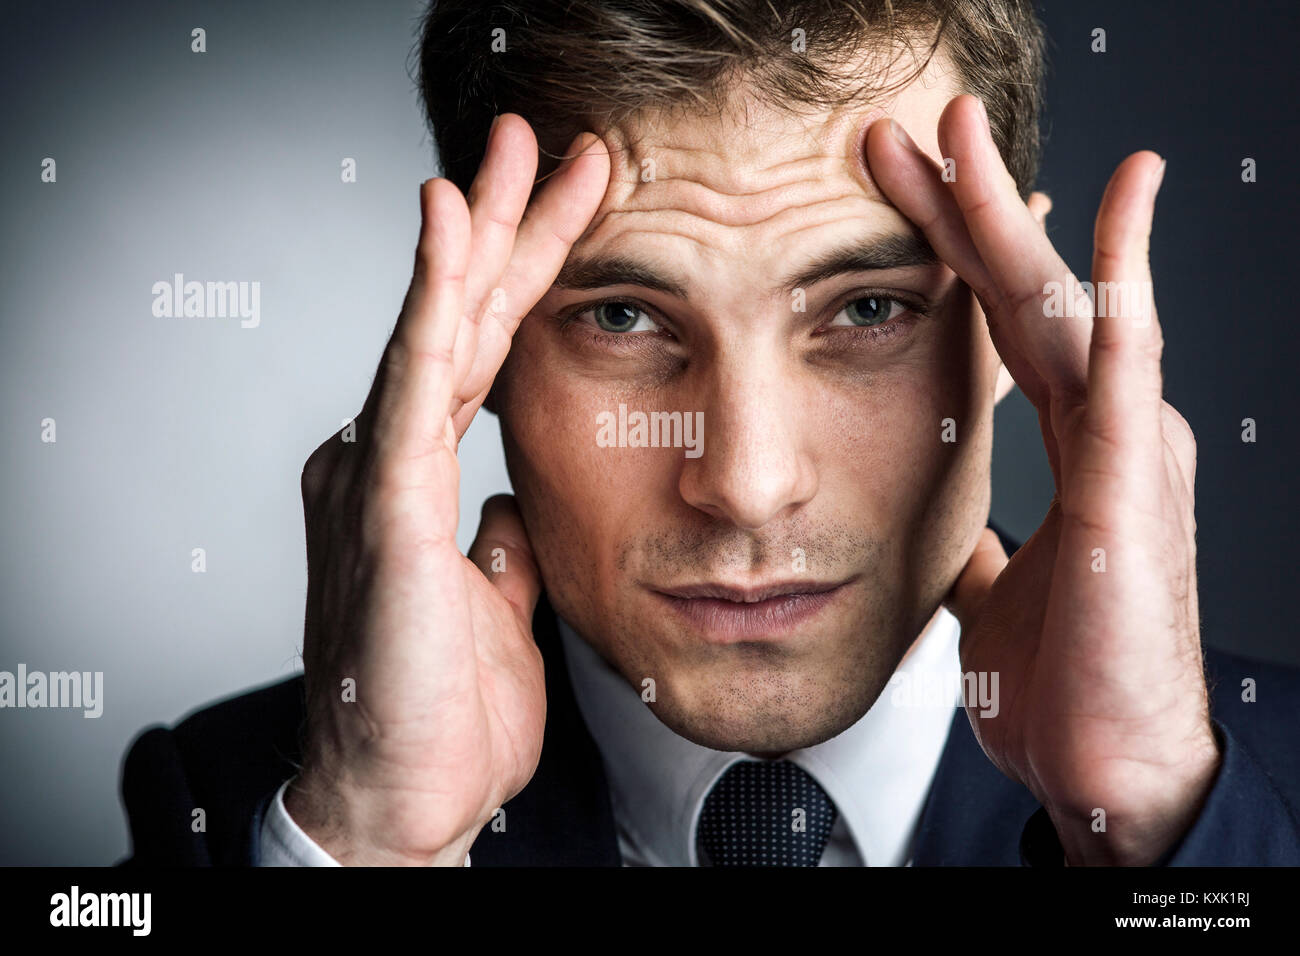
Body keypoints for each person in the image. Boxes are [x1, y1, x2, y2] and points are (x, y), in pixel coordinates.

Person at [120, 0, 1300, 867]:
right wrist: (371, 849)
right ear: (475, 344)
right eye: (623, 316)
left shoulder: (1257, 806)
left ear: (1012, 318)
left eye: (867, 309)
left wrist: (1151, 825)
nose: (744, 482)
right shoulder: (241, 814)